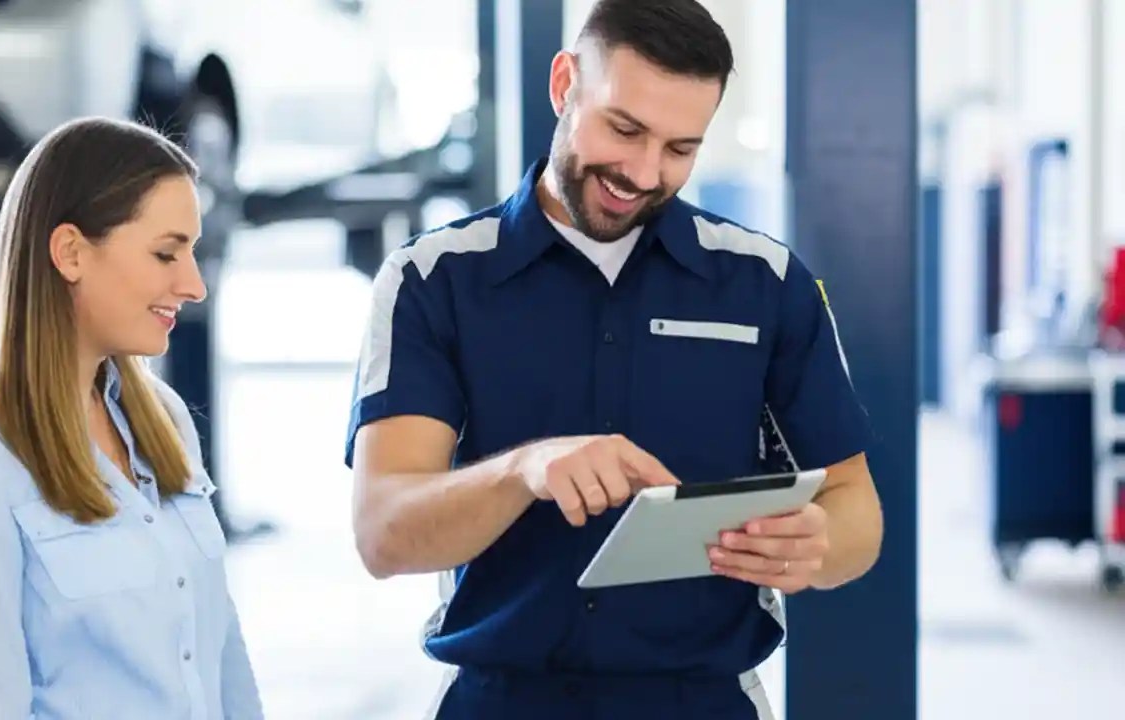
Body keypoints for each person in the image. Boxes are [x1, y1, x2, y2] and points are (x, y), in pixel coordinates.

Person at [344, 1, 883, 718]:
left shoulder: (766, 284)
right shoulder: (432, 282)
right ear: (564, 83)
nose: (642, 171)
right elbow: (384, 534)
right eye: (623, 129)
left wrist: (819, 544)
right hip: (501, 701)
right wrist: (523, 471)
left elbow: (858, 512)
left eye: (680, 149)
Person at [0, 117, 264, 719]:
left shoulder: (163, 421)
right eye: (166, 252)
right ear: (70, 253)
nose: (193, 285)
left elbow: (223, 666)